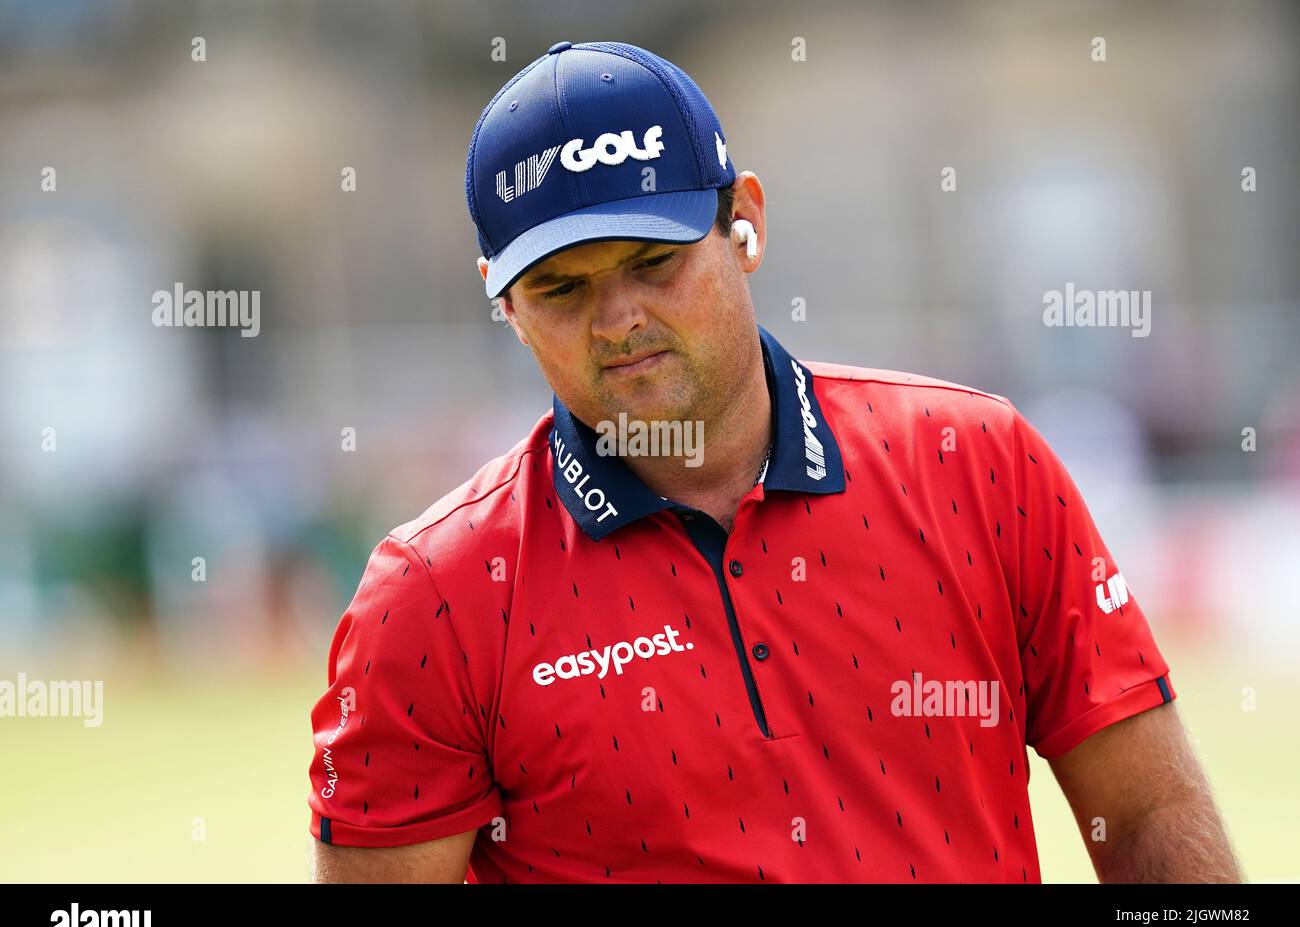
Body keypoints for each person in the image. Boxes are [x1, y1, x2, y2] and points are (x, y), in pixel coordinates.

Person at [308, 41, 1241, 883]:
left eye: (653, 260)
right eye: (560, 288)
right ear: (502, 302)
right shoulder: (434, 592)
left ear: (743, 222)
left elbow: (1152, 813)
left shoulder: (979, 461)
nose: (618, 318)